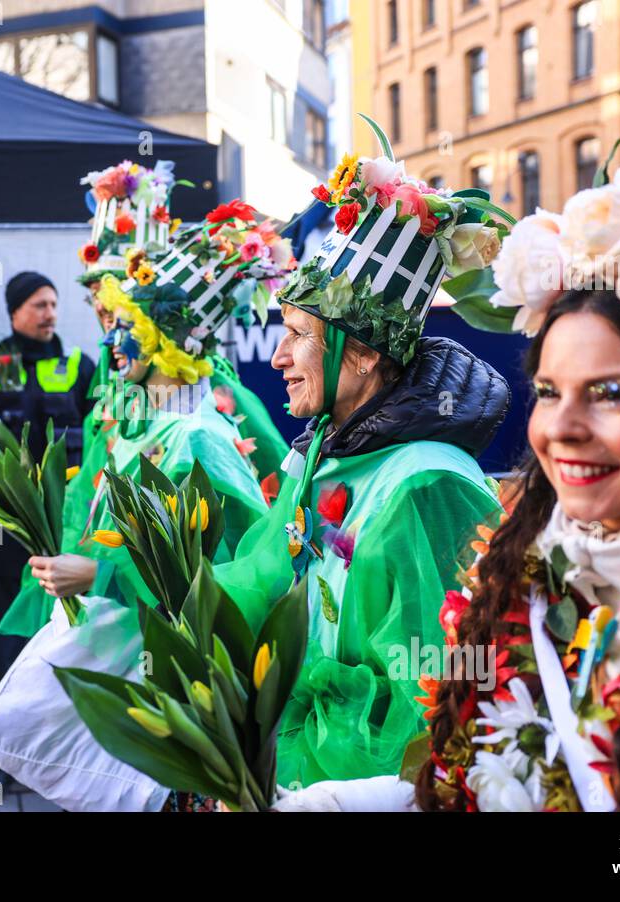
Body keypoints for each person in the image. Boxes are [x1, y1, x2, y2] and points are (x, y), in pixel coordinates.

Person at [278, 119, 620, 812]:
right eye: (550, 392)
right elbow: (456, 774)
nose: (562, 429)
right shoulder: (511, 578)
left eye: (614, 393)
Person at [214, 132, 512, 791]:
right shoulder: (316, 452)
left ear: (365, 353)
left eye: (297, 337)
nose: (277, 359)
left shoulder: (427, 484)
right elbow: (264, 577)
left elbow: (432, 701)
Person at [0, 195, 294, 811]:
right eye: (107, 317)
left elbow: (234, 571)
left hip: (185, 682)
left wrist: (101, 573)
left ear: (167, 341)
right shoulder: (146, 422)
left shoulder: (200, 433)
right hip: (138, 658)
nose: (110, 336)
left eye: (126, 324)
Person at [0, 270, 95, 801]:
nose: (48, 313)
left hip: (69, 538)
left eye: (53, 304)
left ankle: (70, 758)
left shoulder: (80, 367)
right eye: (37, 305)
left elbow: (103, 450)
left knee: (72, 644)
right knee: (1, 647)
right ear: (13, 312)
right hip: (4, 542)